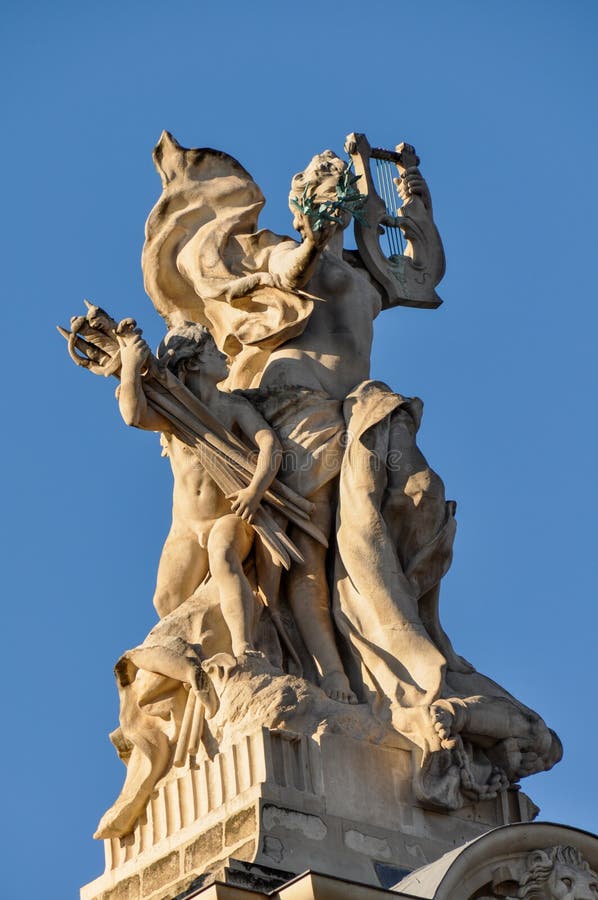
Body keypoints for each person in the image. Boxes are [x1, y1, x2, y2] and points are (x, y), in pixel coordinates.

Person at [117, 321, 280, 661]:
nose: (225, 356)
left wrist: (254, 490)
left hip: (229, 515)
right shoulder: (176, 413)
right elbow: (133, 415)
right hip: (186, 528)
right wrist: (130, 364)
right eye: (213, 352)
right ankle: (198, 656)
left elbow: (270, 445)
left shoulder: (233, 408)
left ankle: (243, 647)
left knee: (223, 555)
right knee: (166, 600)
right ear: (193, 364)